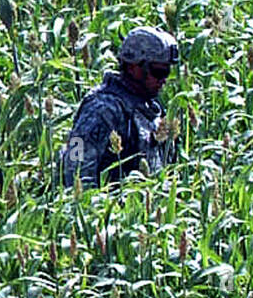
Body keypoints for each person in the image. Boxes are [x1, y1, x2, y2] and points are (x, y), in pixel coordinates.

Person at [61, 26, 180, 188]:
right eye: (158, 72)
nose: (163, 80)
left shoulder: (149, 107)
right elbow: (75, 169)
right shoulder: (101, 109)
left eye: (167, 73)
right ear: (134, 68)